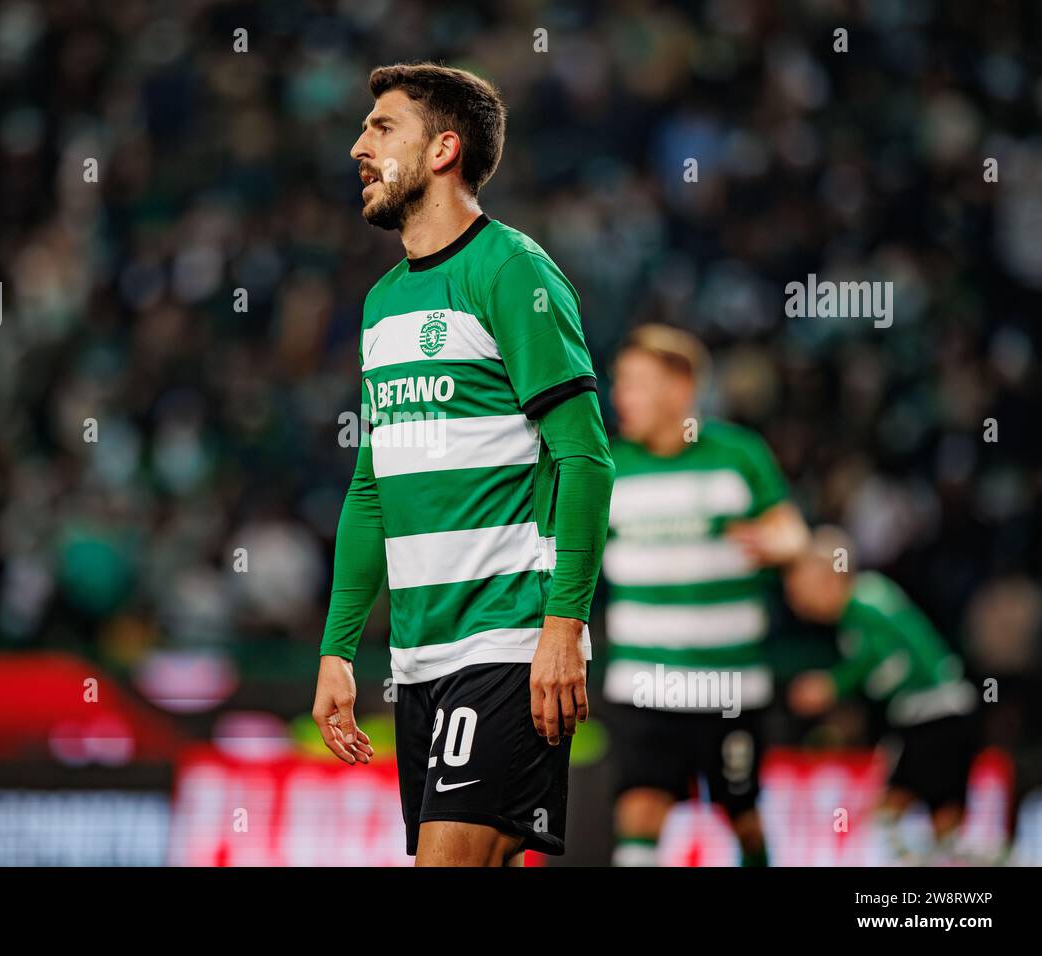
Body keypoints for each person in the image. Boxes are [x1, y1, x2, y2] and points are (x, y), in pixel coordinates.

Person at [311, 63, 615, 866]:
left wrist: (562, 627)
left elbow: (585, 459)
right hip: (418, 657)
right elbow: (373, 489)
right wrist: (338, 649)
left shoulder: (512, 270)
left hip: (508, 642)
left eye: (381, 129)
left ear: (444, 149)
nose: (358, 147)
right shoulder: (380, 307)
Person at [601, 324, 808, 866]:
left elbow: (793, 532)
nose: (622, 397)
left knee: (743, 817)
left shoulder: (738, 454)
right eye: (621, 383)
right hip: (642, 683)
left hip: (729, 685)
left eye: (636, 383)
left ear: (681, 388)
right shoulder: (608, 467)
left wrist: (777, 544)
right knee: (640, 811)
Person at [785, 527, 981, 864]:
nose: (798, 603)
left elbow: (879, 659)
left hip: (933, 715)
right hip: (933, 714)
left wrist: (832, 685)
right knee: (933, 807)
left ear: (828, 578)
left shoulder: (864, 602)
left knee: (897, 804)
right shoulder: (865, 606)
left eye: (801, 589)